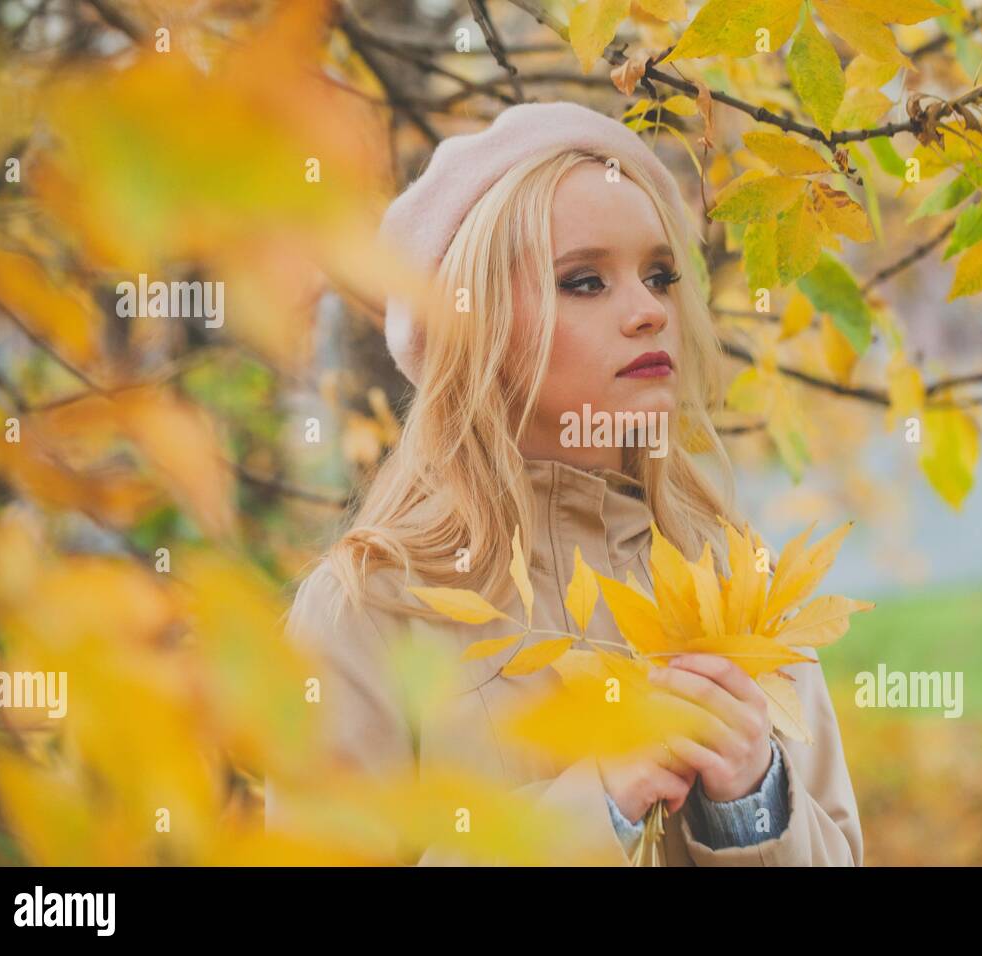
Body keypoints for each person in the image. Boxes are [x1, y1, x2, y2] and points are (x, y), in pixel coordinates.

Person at [267, 101, 863, 866]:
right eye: (585, 282)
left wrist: (753, 805)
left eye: (660, 276)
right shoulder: (371, 609)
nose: (648, 311)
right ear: (474, 329)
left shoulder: (739, 583)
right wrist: (594, 808)